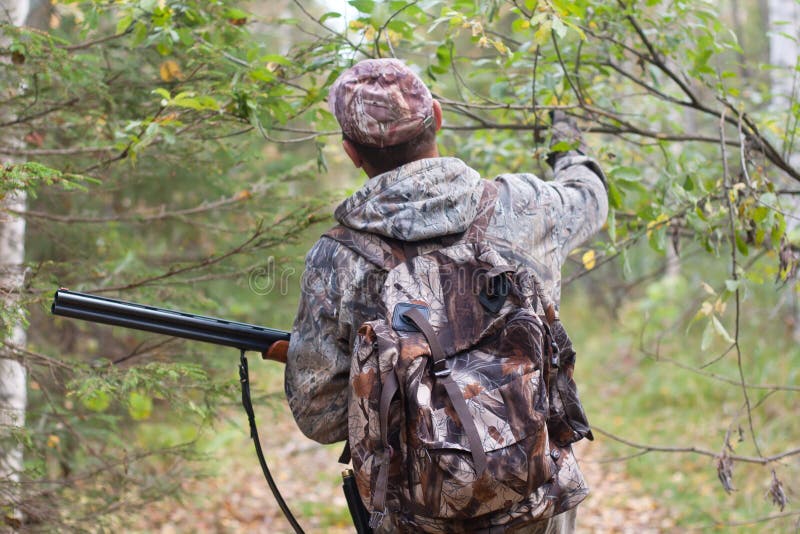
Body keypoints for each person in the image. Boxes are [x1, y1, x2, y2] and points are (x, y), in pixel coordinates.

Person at [284, 58, 608, 533]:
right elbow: (591, 194)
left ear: (351, 152)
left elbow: (321, 416)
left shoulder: (336, 258)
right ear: (437, 116)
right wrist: (566, 138)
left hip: (416, 519)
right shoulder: (525, 205)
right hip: (535, 502)